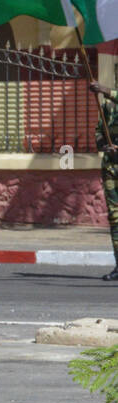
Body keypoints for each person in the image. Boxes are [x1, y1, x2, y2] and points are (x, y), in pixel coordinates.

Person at [88, 81, 118, 280]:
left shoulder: (110, 96)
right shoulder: (108, 106)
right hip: (111, 169)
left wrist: (106, 90)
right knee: (115, 219)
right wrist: (104, 145)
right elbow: (99, 132)